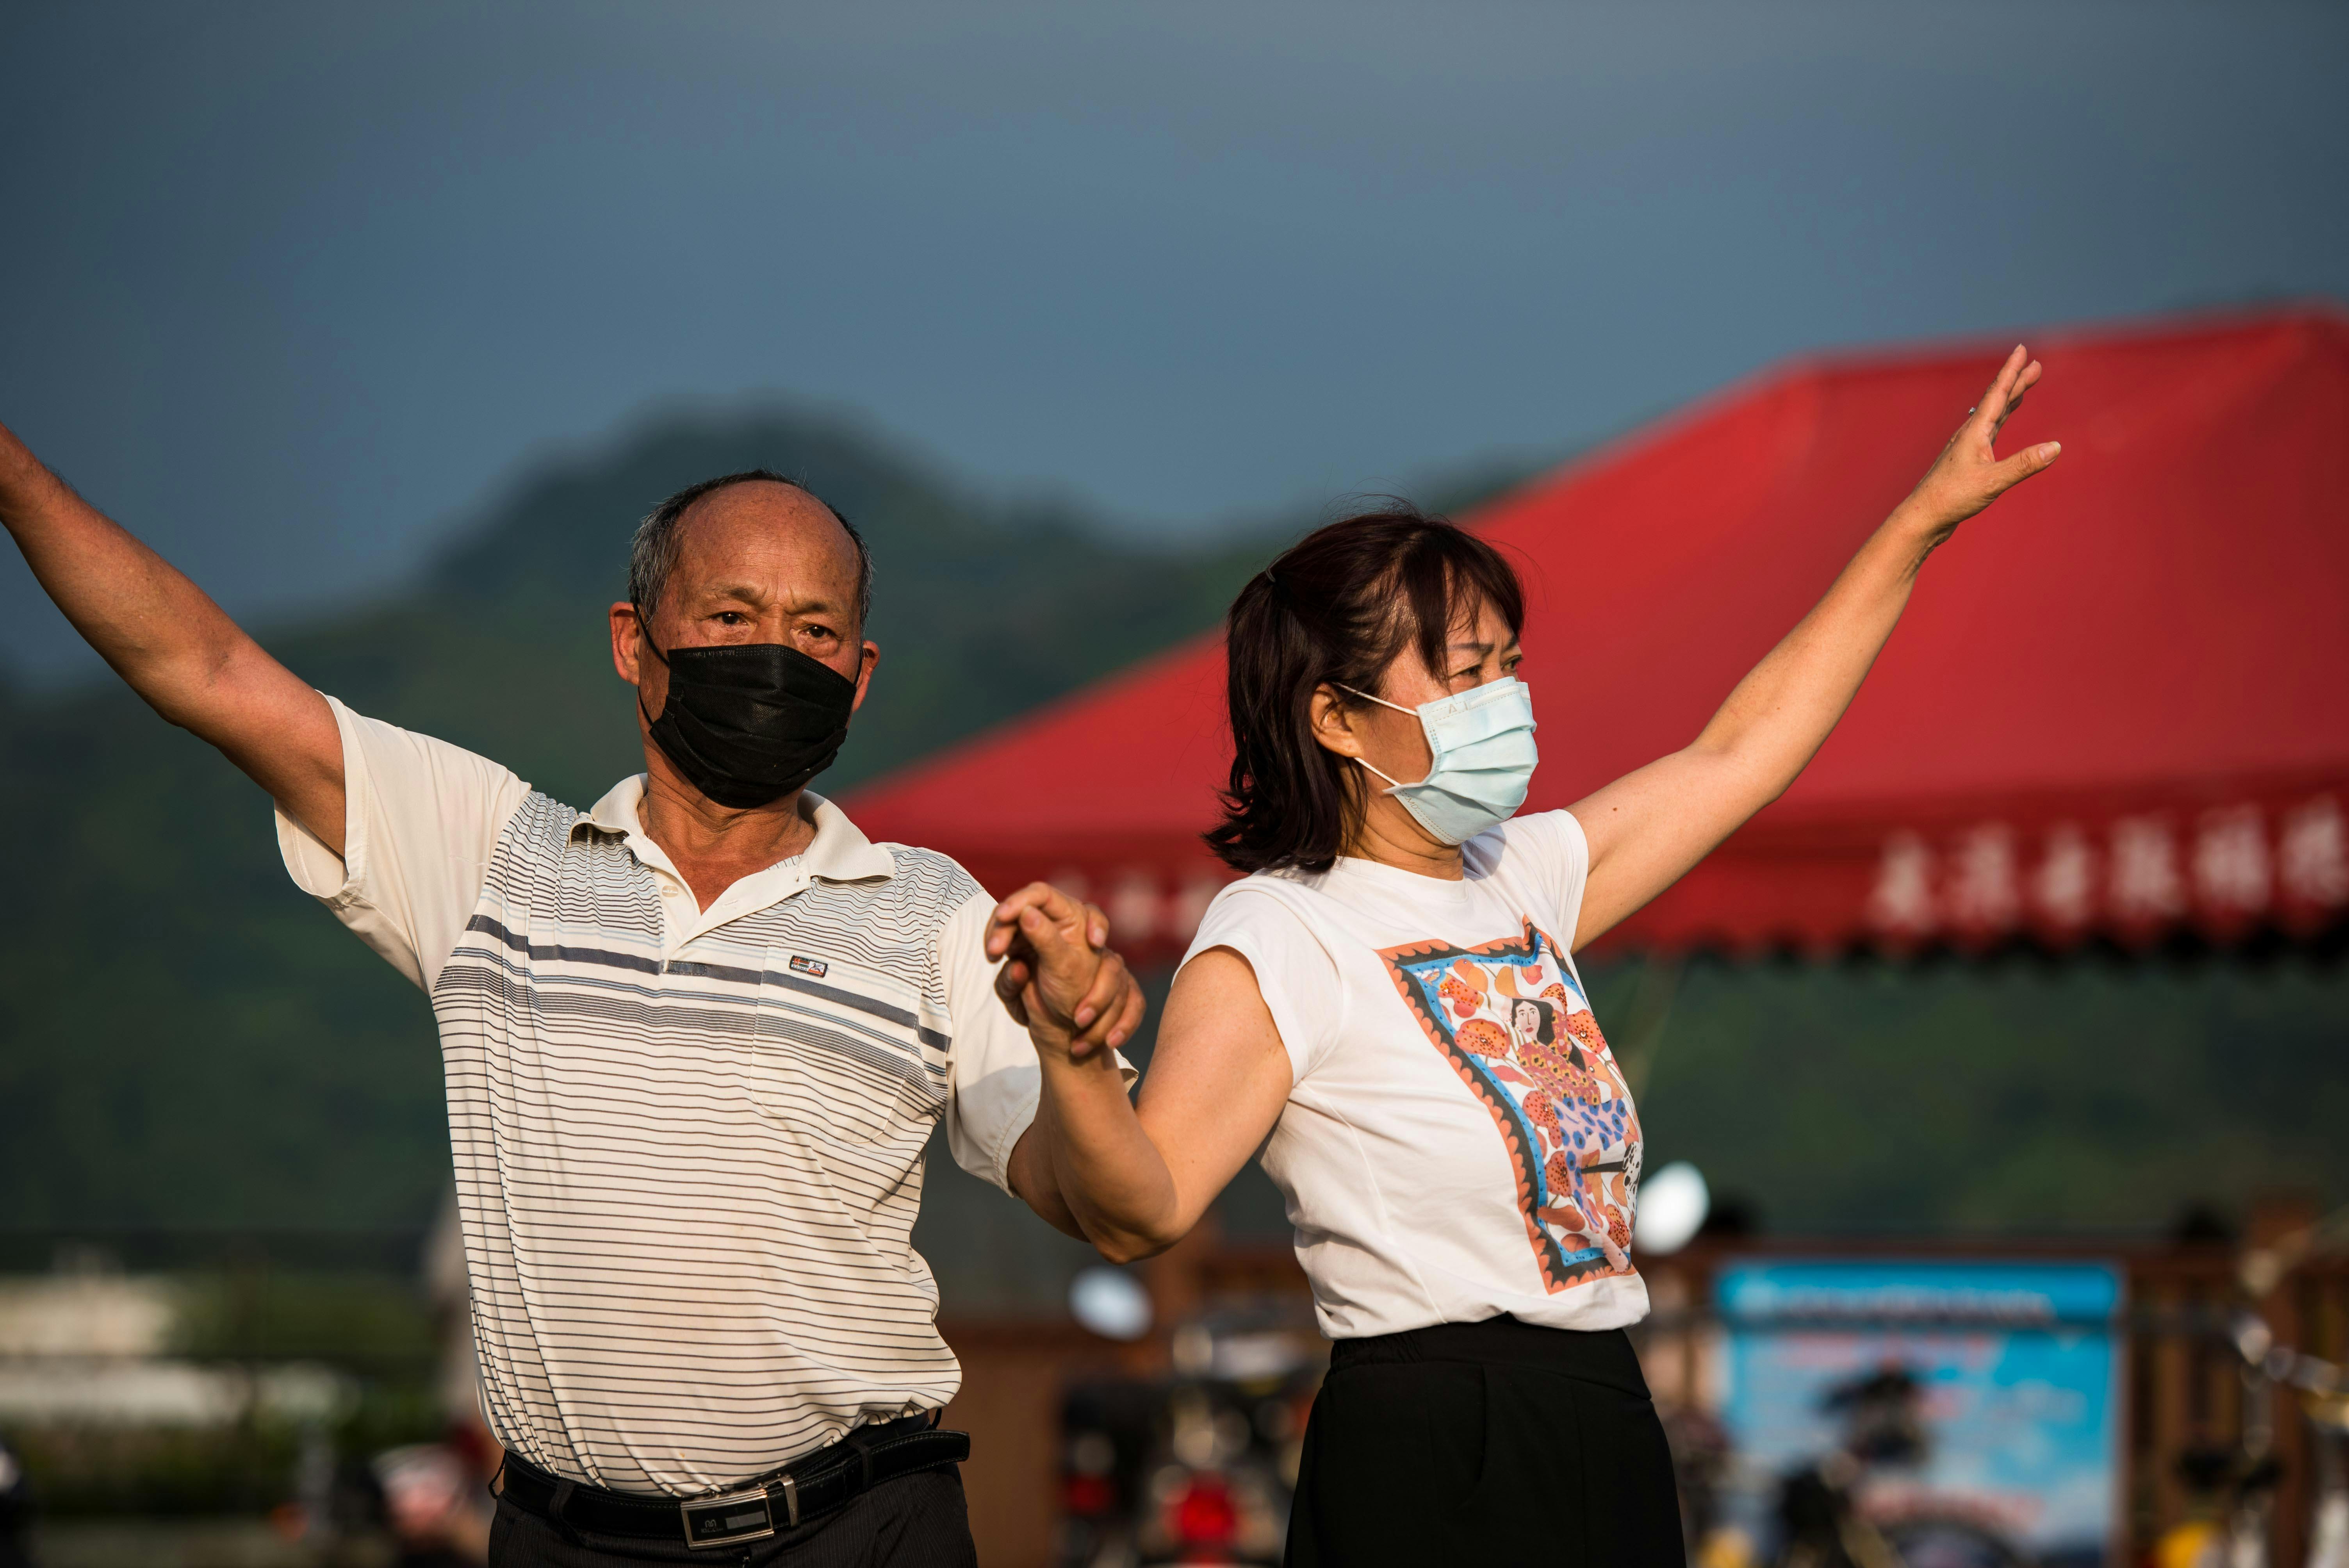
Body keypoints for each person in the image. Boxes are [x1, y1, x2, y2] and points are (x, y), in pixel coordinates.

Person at [993, 348, 2062, 1564]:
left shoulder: (1521, 873)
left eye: (1509, 666)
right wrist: (1077, 1054)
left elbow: (1738, 754)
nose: (1505, 701)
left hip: (1600, 1409)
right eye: (1464, 675)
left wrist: (1914, 530)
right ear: (1337, 718)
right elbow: (1147, 1208)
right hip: (1435, 1433)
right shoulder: (1280, 930)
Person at [0, 434, 1144, 1567]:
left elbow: (1101, 1203)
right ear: (631, 644)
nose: (774, 657)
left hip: (856, 1531)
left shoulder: (936, 912)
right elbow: (202, 671)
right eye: (732, 618)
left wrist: (1079, 1053)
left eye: (816, 631)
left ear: (862, 671)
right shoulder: (496, 859)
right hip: (561, 1542)